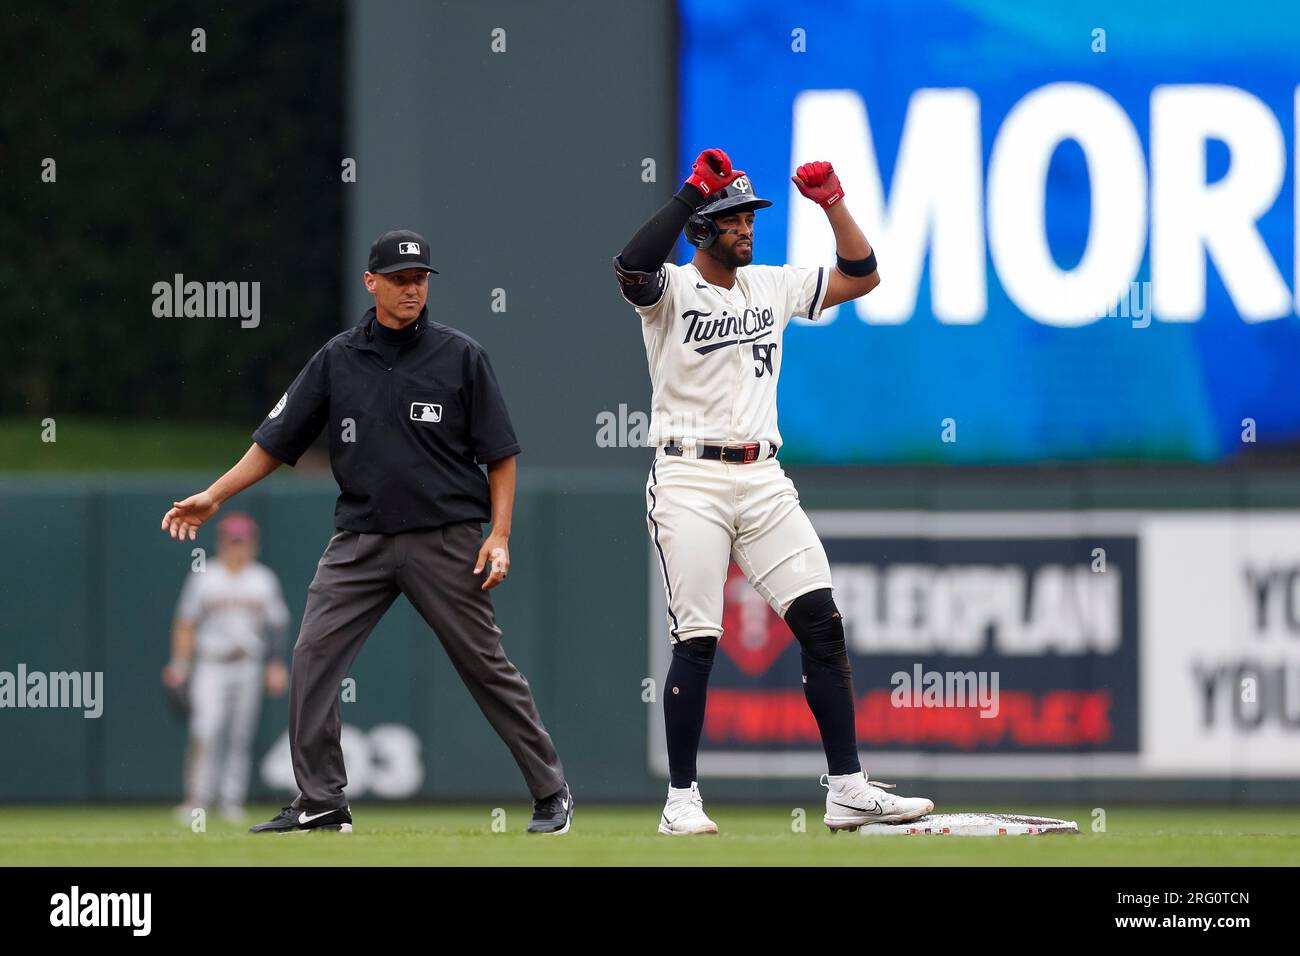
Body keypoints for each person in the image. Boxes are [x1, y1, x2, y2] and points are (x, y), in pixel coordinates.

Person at [161, 229, 572, 835]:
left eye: (421, 278)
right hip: (361, 540)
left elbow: (501, 454)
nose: (413, 288)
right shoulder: (337, 358)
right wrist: (215, 495)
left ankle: (551, 793)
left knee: (485, 666)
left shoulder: (460, 355)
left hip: (446, 537)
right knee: (310, 658)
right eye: (401, 278)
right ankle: (323, 799)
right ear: (371, 282)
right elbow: (276, 441)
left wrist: (500, 534)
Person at [613, 148, 935, 834]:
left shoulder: (773, 285)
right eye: (730, 217)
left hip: (762, 476)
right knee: (697, 637)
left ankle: (847, 788)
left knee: (821, 620)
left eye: (750, 215)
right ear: (701, 228)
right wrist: (688, 195)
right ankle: (681, 800)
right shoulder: (671, 290)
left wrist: (833, 205)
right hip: (689, 473)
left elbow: (863, 275)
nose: (746, 227)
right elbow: (629, 267)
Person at [164, 512, 289, 823]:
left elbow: (276, 626)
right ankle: (196, 800)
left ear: (253, 544)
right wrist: (180, 664)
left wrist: (275, 663)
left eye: (243, 541)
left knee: (239, 735)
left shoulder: (263, 579)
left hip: (248, 664)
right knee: (205, 730)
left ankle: (231, 801)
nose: (238, 547)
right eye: (233, 541)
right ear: (222, 543)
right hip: (212, 665)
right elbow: (185, 624)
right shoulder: (205, 576)